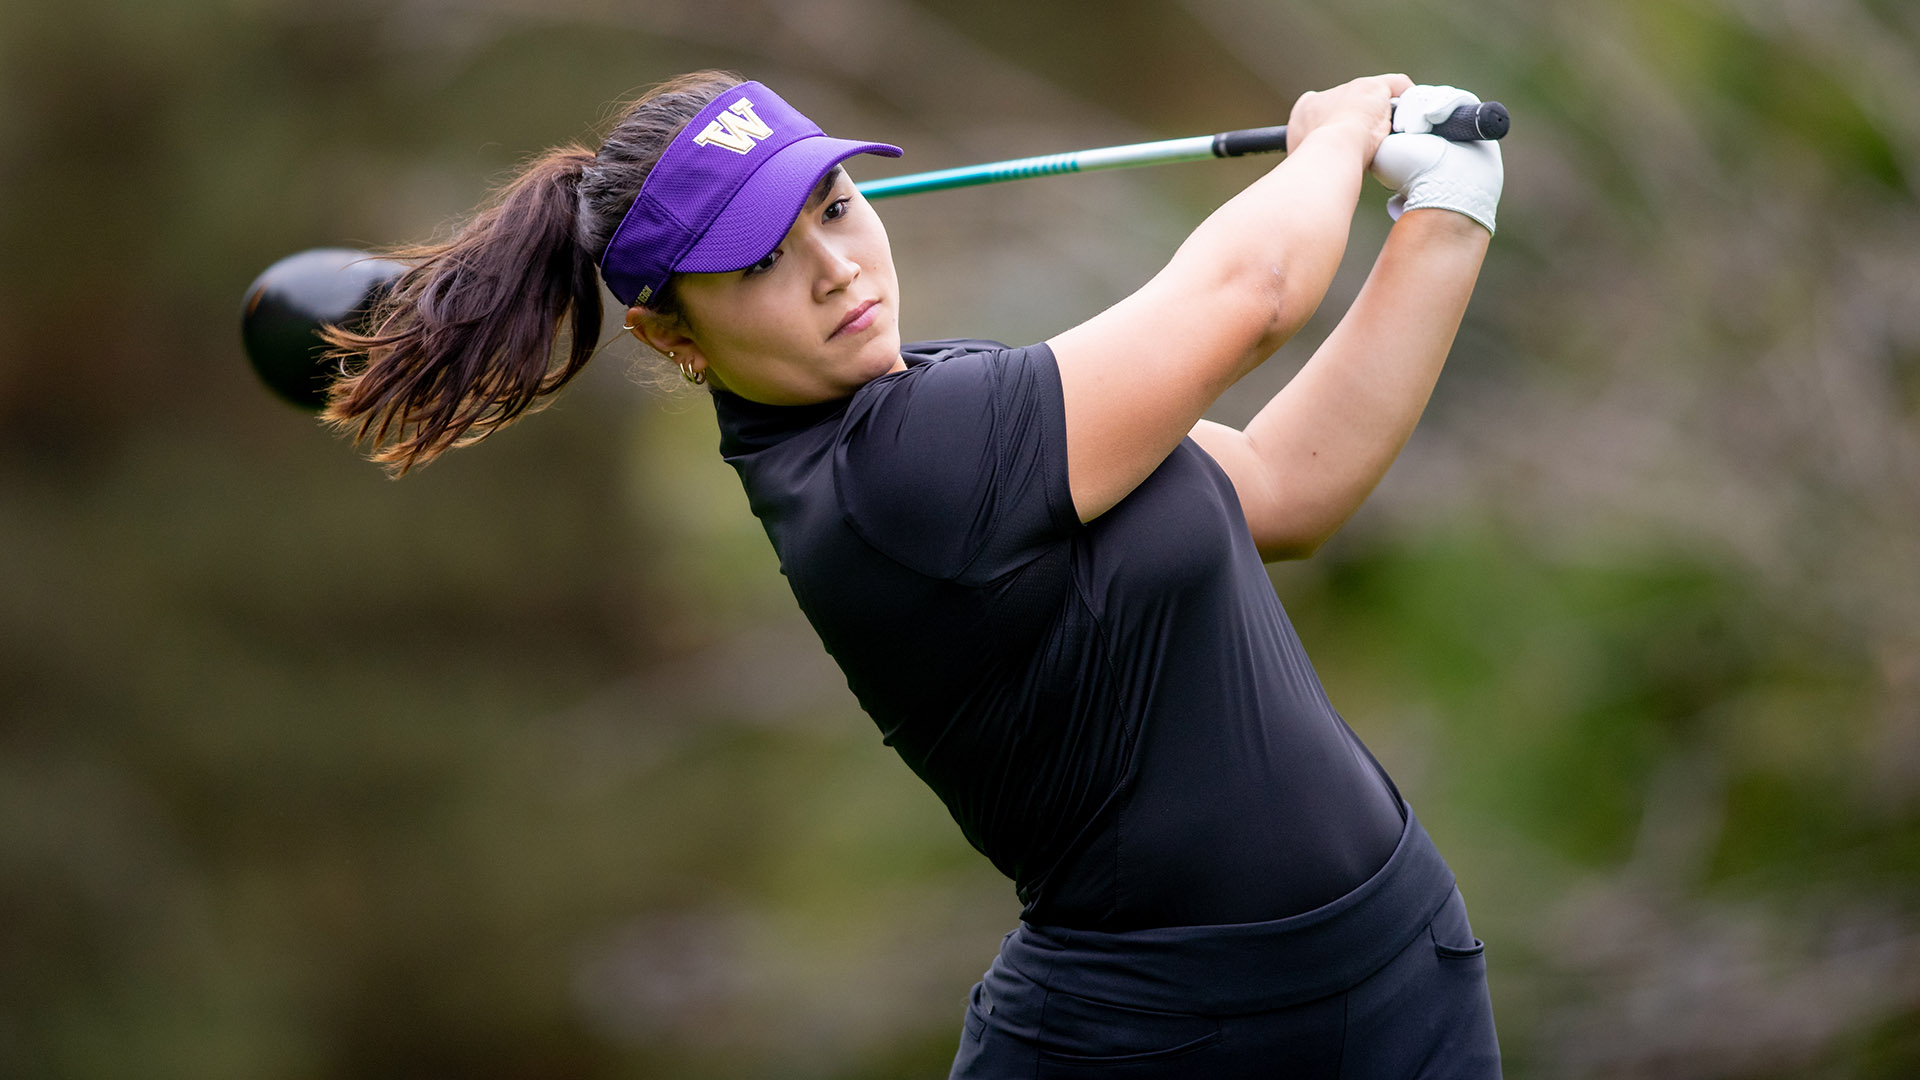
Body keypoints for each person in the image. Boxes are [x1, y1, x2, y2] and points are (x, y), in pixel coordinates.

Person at [323, 68, 1505, 1077]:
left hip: (1403, 971)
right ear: (673, 337)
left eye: (835, 207)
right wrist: (1339, 137)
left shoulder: (941, 386)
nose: (837, 269)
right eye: (761, 263)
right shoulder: (887, 479)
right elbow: (1249, 299)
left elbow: (1282, 488)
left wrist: (1446, 214)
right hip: (1159, 1040)